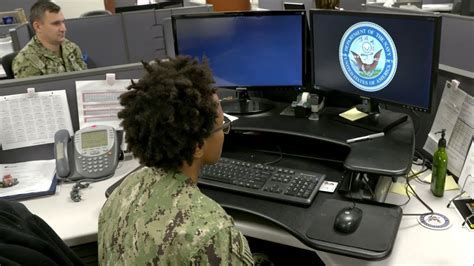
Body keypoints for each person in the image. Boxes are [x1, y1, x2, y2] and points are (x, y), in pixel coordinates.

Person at [98, 56, 254, 265]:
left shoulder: (121, 191)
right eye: (222, 125)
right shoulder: (213, 234)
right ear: (198, 146)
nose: (224, 132)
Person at [12, 1, 87, 78]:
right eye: (56, 23)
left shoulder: (71, 47)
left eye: (62, 22)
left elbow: (86, 78)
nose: (63, 29)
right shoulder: (26, 60)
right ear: (38, 26)